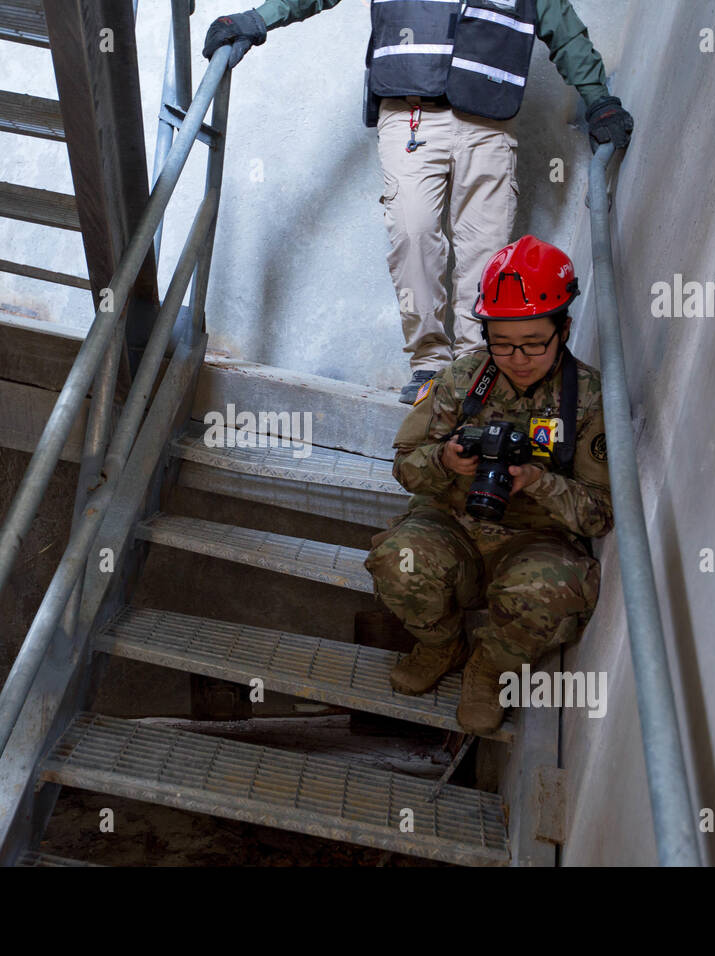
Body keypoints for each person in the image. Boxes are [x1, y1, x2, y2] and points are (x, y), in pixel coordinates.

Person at [203, 1, 633, 403]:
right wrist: (259, 20)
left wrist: (599, 100)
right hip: (411, 113)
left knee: (485, 253)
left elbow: (563, 27)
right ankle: (429, 363)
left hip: (490, 121)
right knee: (412, 233)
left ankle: (471, 367)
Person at [362, 235, 612, 734]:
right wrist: (446, 462)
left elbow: (600, 513)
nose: (517, 358)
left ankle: (491, 667)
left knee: (551, 589)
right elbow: (405, 467)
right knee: (398, 558)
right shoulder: (462, 380)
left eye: (533, 344)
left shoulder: (587, 399)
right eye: (501, 343)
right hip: (452, 522)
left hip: (534, 539)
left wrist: (540, 482)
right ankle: (442, 644)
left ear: (563, 329)